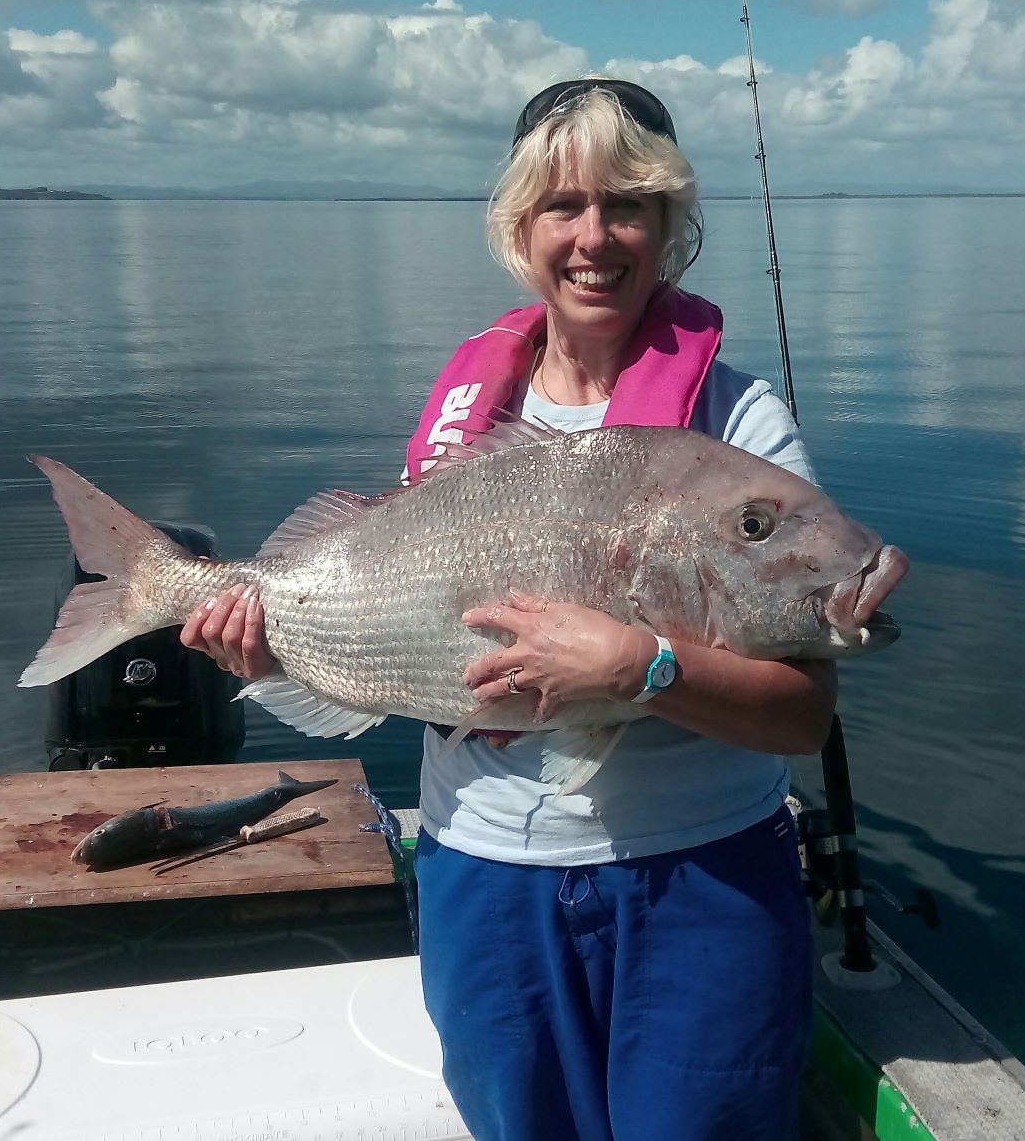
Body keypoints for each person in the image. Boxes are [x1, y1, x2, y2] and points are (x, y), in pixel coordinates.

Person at [182, 78, 833, 1141]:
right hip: (484, 872)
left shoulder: (738, 426)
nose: (595, 237)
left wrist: (641, 667)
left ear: (670, 225)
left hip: (703, 876)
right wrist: (273, 649)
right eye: (563, 206)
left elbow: (804, 716)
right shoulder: (470, 429)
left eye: (628, 205)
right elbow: (389, 624)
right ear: (520, 229)